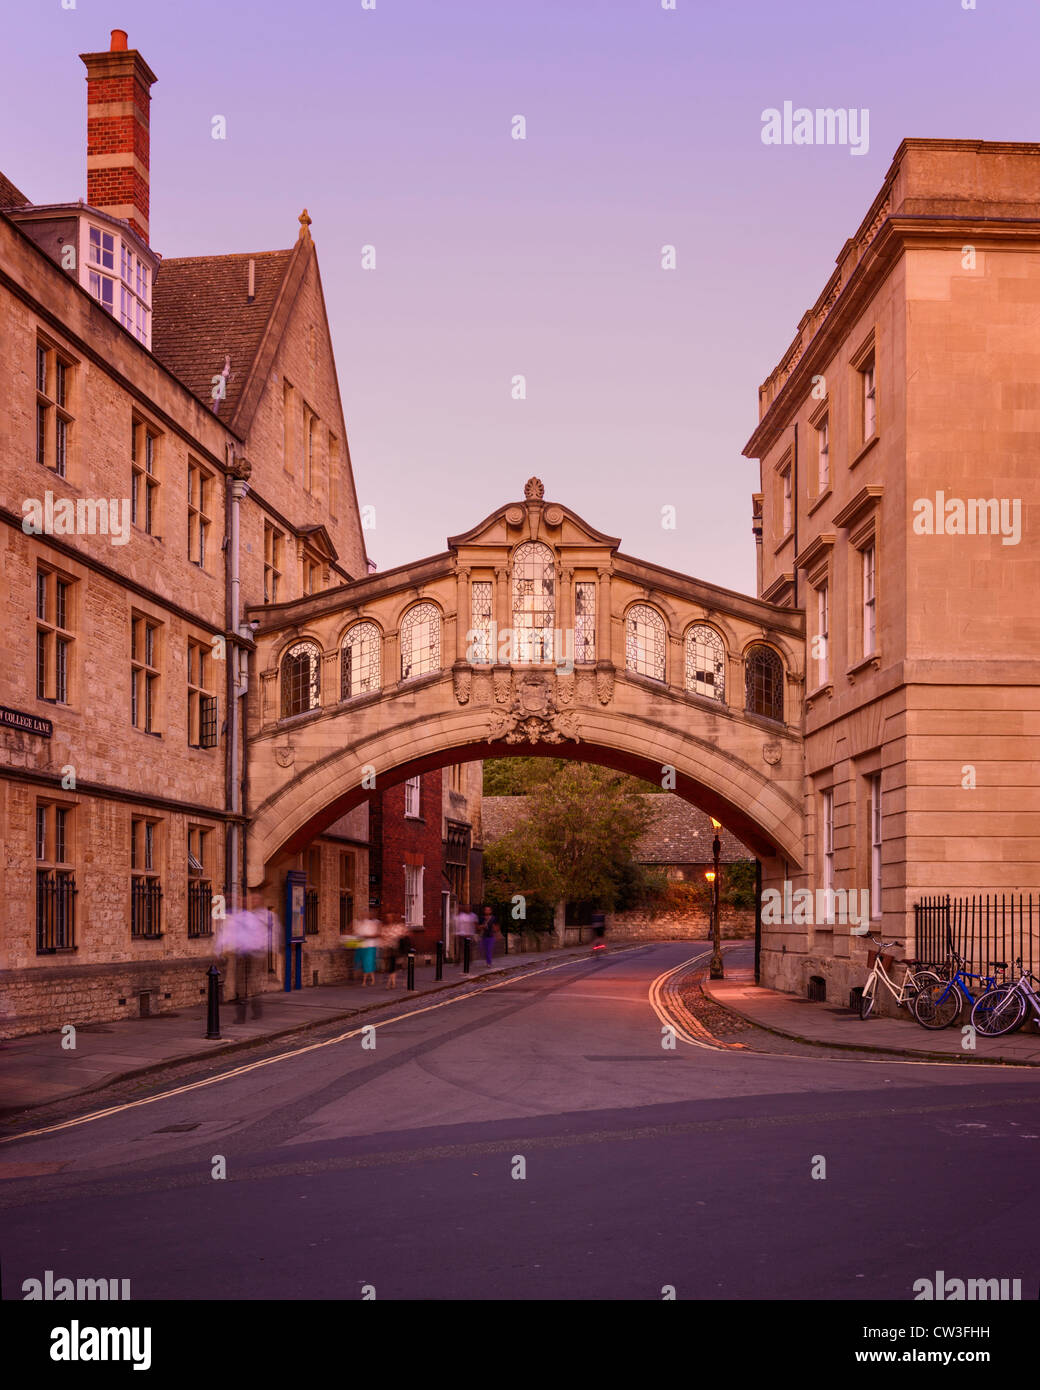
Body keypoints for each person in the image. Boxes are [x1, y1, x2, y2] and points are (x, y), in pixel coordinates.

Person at [216, 891, 270, 1022]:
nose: (242, 903)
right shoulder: (237, 917)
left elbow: (261, 935)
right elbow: (228, 934)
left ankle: (257, 1011)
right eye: (240, 900)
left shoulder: (253, 918)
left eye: (244, 901)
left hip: (254, 953)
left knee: (252, 982)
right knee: (240, 984)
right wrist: (219, 949)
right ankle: (241, 1016)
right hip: (241, 953)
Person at [355, 914, 381, 986]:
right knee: (368, 965)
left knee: (367, 965)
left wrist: (366, 936)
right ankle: (372, 980)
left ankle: (364, 982)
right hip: (364, 946)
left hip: (370, 947)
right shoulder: (362, 924)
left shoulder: (374, 923)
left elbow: (377, 934)